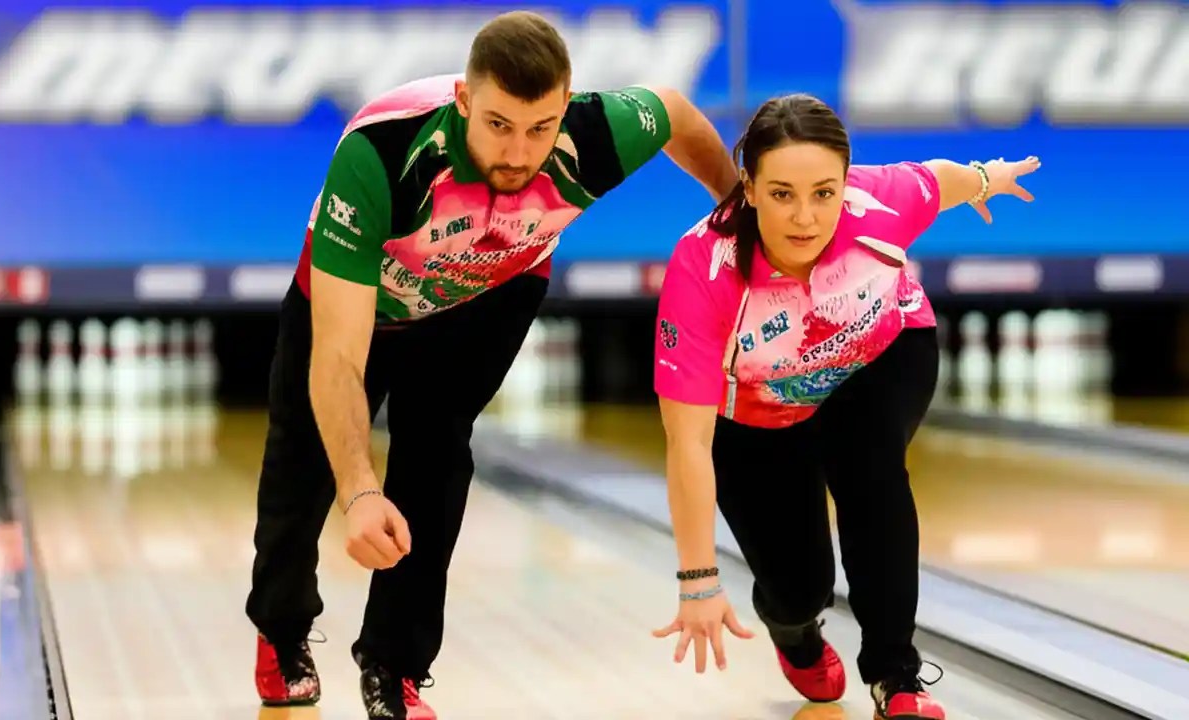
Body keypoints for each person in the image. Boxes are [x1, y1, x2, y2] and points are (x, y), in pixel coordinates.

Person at [245, 10, 738, 718]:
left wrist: (733, 207)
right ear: (465, 101)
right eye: (500, 124)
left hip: (489, 294)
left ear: (564, 109)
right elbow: (339, 357)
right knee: (305, 464)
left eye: (540, 128)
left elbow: (678, 114)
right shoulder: (382, 153)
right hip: (363, 304)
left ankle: (395, 667)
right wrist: (358, 492)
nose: (519, 151)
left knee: (438, 454)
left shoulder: (597, 133)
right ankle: (282, 631)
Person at [649, 93, 1039, 719]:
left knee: (871, 471)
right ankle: (794, 629)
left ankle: (897, 676)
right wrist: (698, 581)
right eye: (781, 194)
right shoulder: (703, 271)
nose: (805, 216)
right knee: (797, 583)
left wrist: (990, 178)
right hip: (755, 413)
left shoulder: (879, 203)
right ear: (746, 187)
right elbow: (688, 441)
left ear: (846, 183)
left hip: (877, 358)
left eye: (824, 193)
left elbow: (944, 180)